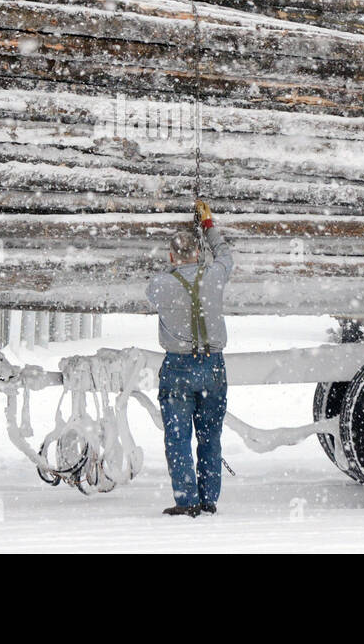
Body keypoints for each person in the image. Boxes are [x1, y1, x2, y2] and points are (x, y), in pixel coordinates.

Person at [146, 199, 234, 517]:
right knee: (210, 435)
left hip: (178, 367)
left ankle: (186, 500)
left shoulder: (159, 286)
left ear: (171, 256)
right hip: (213, 367)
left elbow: (155, 290)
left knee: (177, 437)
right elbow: (225, 255)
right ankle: (209, 499)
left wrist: (177, 270)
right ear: (198, 254)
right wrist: (208, 226)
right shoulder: (215, 275)